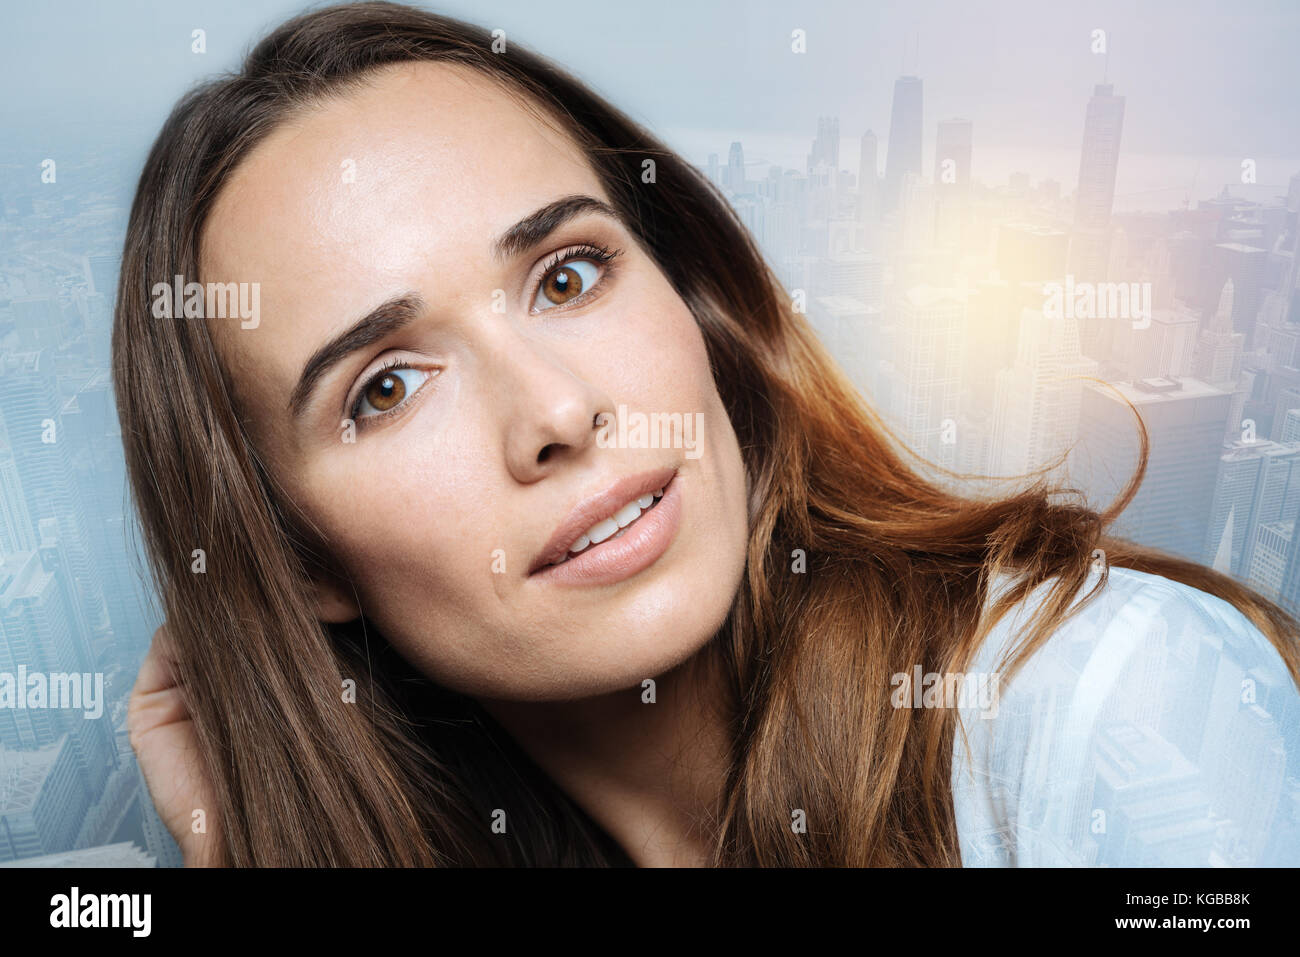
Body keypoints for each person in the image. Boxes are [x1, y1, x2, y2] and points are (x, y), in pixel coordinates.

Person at [116, 1, 1300, 867]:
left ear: (696, 303)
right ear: (300, 558)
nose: (556, 413)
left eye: (567, 276)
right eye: (385, 388)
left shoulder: (1100, 708)